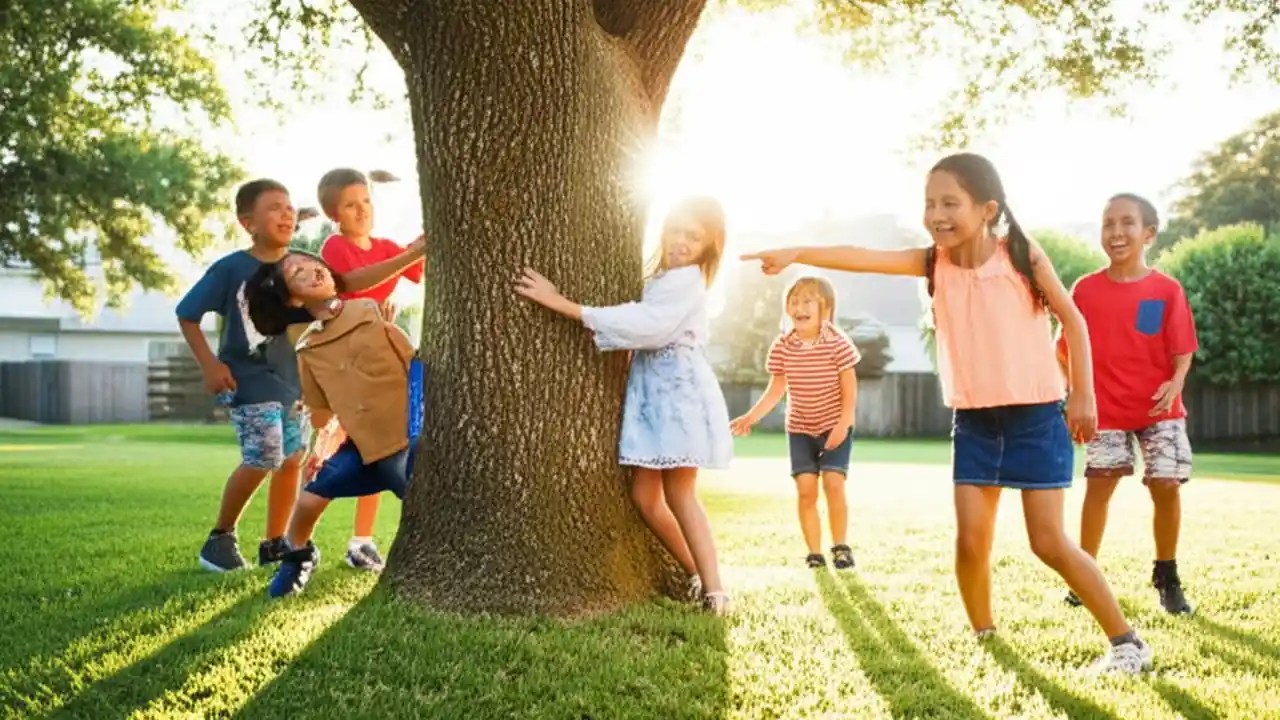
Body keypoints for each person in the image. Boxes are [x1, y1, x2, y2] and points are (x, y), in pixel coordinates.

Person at [742, 153, 1153, 674]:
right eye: (929, 203)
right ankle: (986, 639)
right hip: (976, 422)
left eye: (949, 203)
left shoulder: (1021, 257)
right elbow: (862, 256)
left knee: (1047, 542)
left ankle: (1127, 643)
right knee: (970, 541)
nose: (936, 214)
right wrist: (799, 251)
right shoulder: (933, 262)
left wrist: (1084, 396)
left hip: (1035, 417)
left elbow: (1074, 321)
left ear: (987, 209)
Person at [177, 178, 424, 573]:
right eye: (274, 207)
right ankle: (220, 538)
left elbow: (349, 285)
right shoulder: (231, 269)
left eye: (290, 206)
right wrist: (211, 364)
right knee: (264, 457)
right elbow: (187, 313)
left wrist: (408, 256)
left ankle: (275, 543)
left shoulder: (302, 267)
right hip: (248, 379)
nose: (287, 213)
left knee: (293, 458)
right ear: (247, 222)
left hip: (292, 383)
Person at [513, 196, 734, 615]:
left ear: (709, 247)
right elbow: (645, 326)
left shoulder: (687, 280)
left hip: (676, 394)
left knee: (680, 492)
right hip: (653, 392)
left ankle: (717, 591)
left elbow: (649, 325)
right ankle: (697, 573)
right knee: (645, 495)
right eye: (677, 231)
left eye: (694, 237)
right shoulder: (665, 278)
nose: (681, 242)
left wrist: (562, 304)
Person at [245, 251, 419, 597]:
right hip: (363, 445)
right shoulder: (308, 347)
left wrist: (388, 327)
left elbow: (412, 362)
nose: (312, 269)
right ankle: (297, 557)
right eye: (297, 273)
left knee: (417, 496)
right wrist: (320, 451)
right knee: (309, 500)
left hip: (403, 436)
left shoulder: (369, 311)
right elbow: (321, 412)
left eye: (312, 263)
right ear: (293, 298)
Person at [1057, 193, 1198, 615]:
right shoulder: (1085, 289)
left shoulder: (1166, 290)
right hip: (1106, 411)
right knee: (1099, 487)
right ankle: (1083, 575)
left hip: (1159, 410)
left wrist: (1176, 381)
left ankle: (1166, 574)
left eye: (1127, 223)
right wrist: (1076, 391)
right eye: (1108, 223)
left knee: (1167, 484)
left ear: (1148, 233)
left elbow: (1183, 347)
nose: (1116, 232)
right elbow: (1062, 348)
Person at [315, 167, 426, 573]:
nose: (361, 210)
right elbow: (352, 282)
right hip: (346, 363)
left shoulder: (386, 247)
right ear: (335, 214)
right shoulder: (335, 247)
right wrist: (408, 256)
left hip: (379, 361)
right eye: (350, 205)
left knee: (381, 446)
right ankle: (296, 536)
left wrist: (420, 244)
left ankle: (361, 541)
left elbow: (418, 265)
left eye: (365, 201)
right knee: (331, 452)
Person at [730, 276, 860, 569]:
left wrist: (844, 423)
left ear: (825, 308)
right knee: (805, 489)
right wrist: (752, 417)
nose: (799, 307)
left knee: (833, 483)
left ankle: (841, 547)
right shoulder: (783, 346)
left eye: (807, 301)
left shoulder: (838, 342)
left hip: (834, 424)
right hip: (800, 428)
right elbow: (777, 389)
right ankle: (815, 553)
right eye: (794, 301)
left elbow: (850, 388)